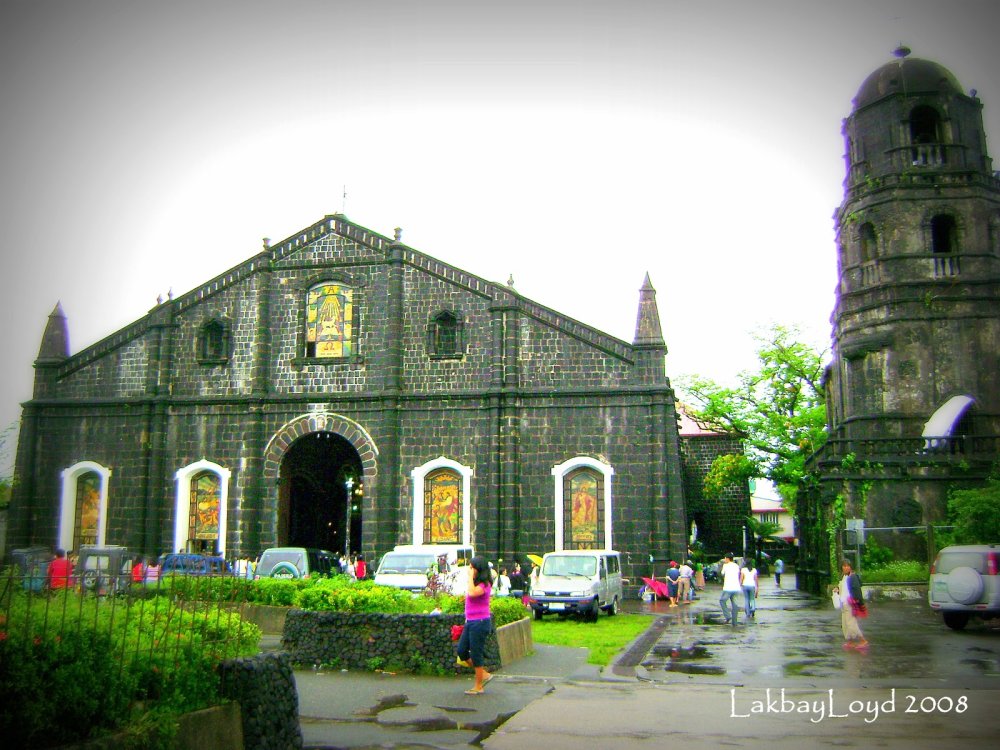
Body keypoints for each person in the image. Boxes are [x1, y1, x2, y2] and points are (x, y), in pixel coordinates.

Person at [455, 556, 494, 695]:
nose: (470, 570)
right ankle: (483, 674)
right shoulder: (476, 582)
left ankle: (478, 686)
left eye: (472, 568)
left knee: (476, 653)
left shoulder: (485, 584)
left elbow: (472, 593)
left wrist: (470, 577)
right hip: (471, 621)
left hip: (480, 622)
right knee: (462, 651)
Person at [834, 559, 868, 650]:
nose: (846, 567)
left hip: (850, 604)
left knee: (851, 624)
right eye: (844, 566)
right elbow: (843, 588)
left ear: (850, 567)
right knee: (845, 624)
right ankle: (850, 642)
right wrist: (837, 589)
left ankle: (863, 641)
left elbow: (857, 590)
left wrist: (859, 602)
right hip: (843, 604)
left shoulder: (853, 577)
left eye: (848, 566)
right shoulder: (843, 577)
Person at [719, 553, 741, 625]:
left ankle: (727, 616)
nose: (725, 560)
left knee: (722, 601)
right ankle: (734, 622)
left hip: (728, 587)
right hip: (736, 587)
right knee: (735, 605)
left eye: (725, 558)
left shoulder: (725, 566)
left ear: (728, 559)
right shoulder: (736, 566)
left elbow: (722, 574)